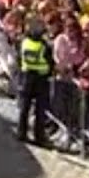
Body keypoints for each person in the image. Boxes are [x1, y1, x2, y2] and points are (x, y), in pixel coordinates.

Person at [17, 18, 54, 146]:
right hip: (41, 79)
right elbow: (50, 62)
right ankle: (39, 137)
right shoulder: (43, 45)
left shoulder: (24, 42)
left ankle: (21, 132)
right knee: (40, 109)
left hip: (26, 76)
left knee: (24, 107)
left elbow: (19, 58)